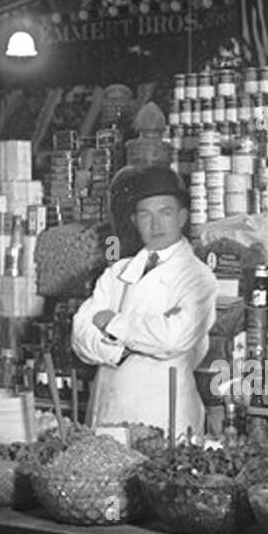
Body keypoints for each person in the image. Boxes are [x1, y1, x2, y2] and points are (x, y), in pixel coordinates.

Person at [72, 168, 218, 437]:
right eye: (145, 214)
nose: (155, 225)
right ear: (134, 220)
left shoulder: (198, 277)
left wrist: (113, 324)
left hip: (164, 414)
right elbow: (80, 335)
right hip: (108, 409)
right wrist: (119, 351)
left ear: (183, 217)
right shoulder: (117, 272)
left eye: (165, 212)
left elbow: (174, 338)